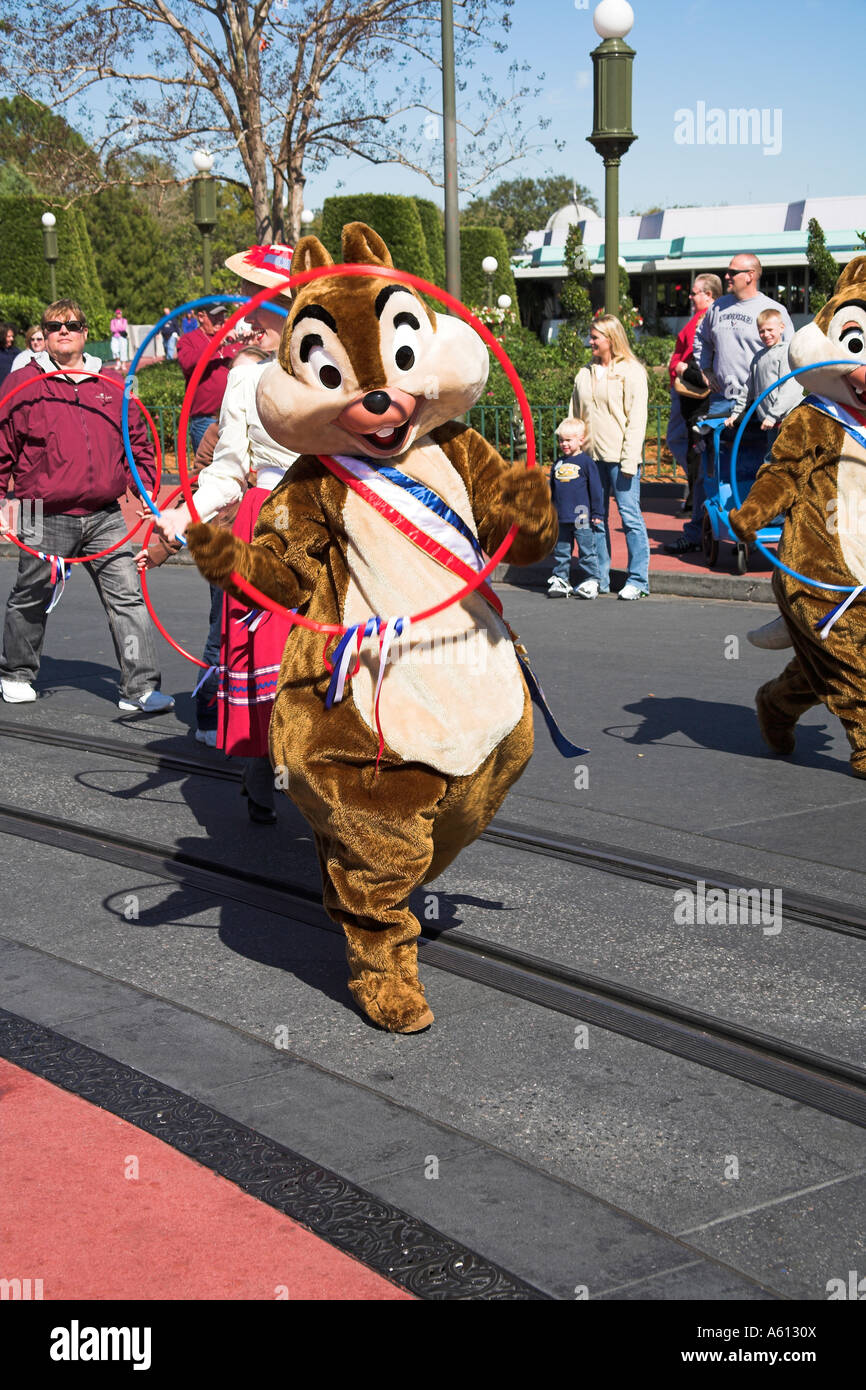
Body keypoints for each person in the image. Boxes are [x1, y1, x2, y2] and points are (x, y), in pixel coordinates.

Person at [151, 245, 297, 821]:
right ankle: (264, 774)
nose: (249, 315)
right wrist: (174, 524)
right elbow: (228, 470)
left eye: (262, 302)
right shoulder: (245, 382)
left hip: (332, 515)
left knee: (330, 655)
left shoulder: (344, 370)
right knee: (273, 652)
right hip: (267, 521)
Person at [0, 299, 174, 712]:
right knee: (31, 594)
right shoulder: (23, 383)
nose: (64, 331)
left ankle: (140, 688)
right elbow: (3, 445)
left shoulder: (110, 382)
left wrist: (146, 493)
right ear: (42, 335)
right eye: (55, 326)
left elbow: (137, 442)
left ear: (84, 332)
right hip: (40, 508)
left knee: (127, 597)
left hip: (105, 513)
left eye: (73, 325)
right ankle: (17, 672)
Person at [667, 254, 794, 556]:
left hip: (763, 405)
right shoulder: (717, 308)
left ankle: (768, 521)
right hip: (724, 401)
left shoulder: (774, 311)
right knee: (710, 468)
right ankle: (699, 530)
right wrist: (707, 369)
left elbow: (791, 353)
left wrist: (779, 404)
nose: (726, 276)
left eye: (732, 272)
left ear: (750, 275)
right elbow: (702, 340)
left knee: (766, 464)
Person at [572, 315, 650, 600]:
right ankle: (598, 577)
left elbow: (637, 419)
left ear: (611, 339)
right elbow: (575, 416)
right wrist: (575, 458)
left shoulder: (632, 371)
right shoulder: (585, 372)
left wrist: (630, 460)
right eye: (590, 337)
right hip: (591, 460)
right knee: (595, 520)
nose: (590, 342)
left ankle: (638, 580)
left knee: (630, 518)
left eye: (595, 337)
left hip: (620, 459)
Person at [668, 275, 722, 510]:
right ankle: (697, 486)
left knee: (688, 445)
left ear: (709, 295)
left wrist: (680, 369)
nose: (690, 297)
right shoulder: (699, 319)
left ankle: (698, 487)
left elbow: (698, 363)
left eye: (695, 292)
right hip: (685, 393)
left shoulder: (705, 321)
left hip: (693, 395)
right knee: (687, 444)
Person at [546, 417, 605, 599]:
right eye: (561, 440)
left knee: (586, 551)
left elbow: (596, 489)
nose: (564, 444)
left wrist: (597, 512)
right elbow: (553, 490)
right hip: (561, 516)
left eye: (568, 440)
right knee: (562, 551)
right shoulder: (558, 463)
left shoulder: (587, 463)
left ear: (581, 440)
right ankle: (562, 579)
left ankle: (592, 580)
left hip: (581, 515)